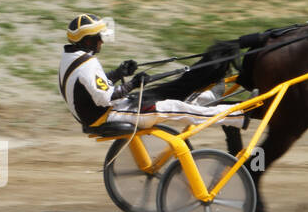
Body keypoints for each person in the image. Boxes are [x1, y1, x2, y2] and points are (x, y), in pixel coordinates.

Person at [58, 13, 240, 131]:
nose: (102, 42)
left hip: (99, 114)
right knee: (174, 108)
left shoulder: (70, 58)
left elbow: (92, 85)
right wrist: (133, 84)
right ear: (88, 41)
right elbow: (105, 98)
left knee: (166, 99)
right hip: (107, 116)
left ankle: (207, 98)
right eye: (99, 38)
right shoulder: (88, 64)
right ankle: (235, 116)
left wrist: (119, 73)